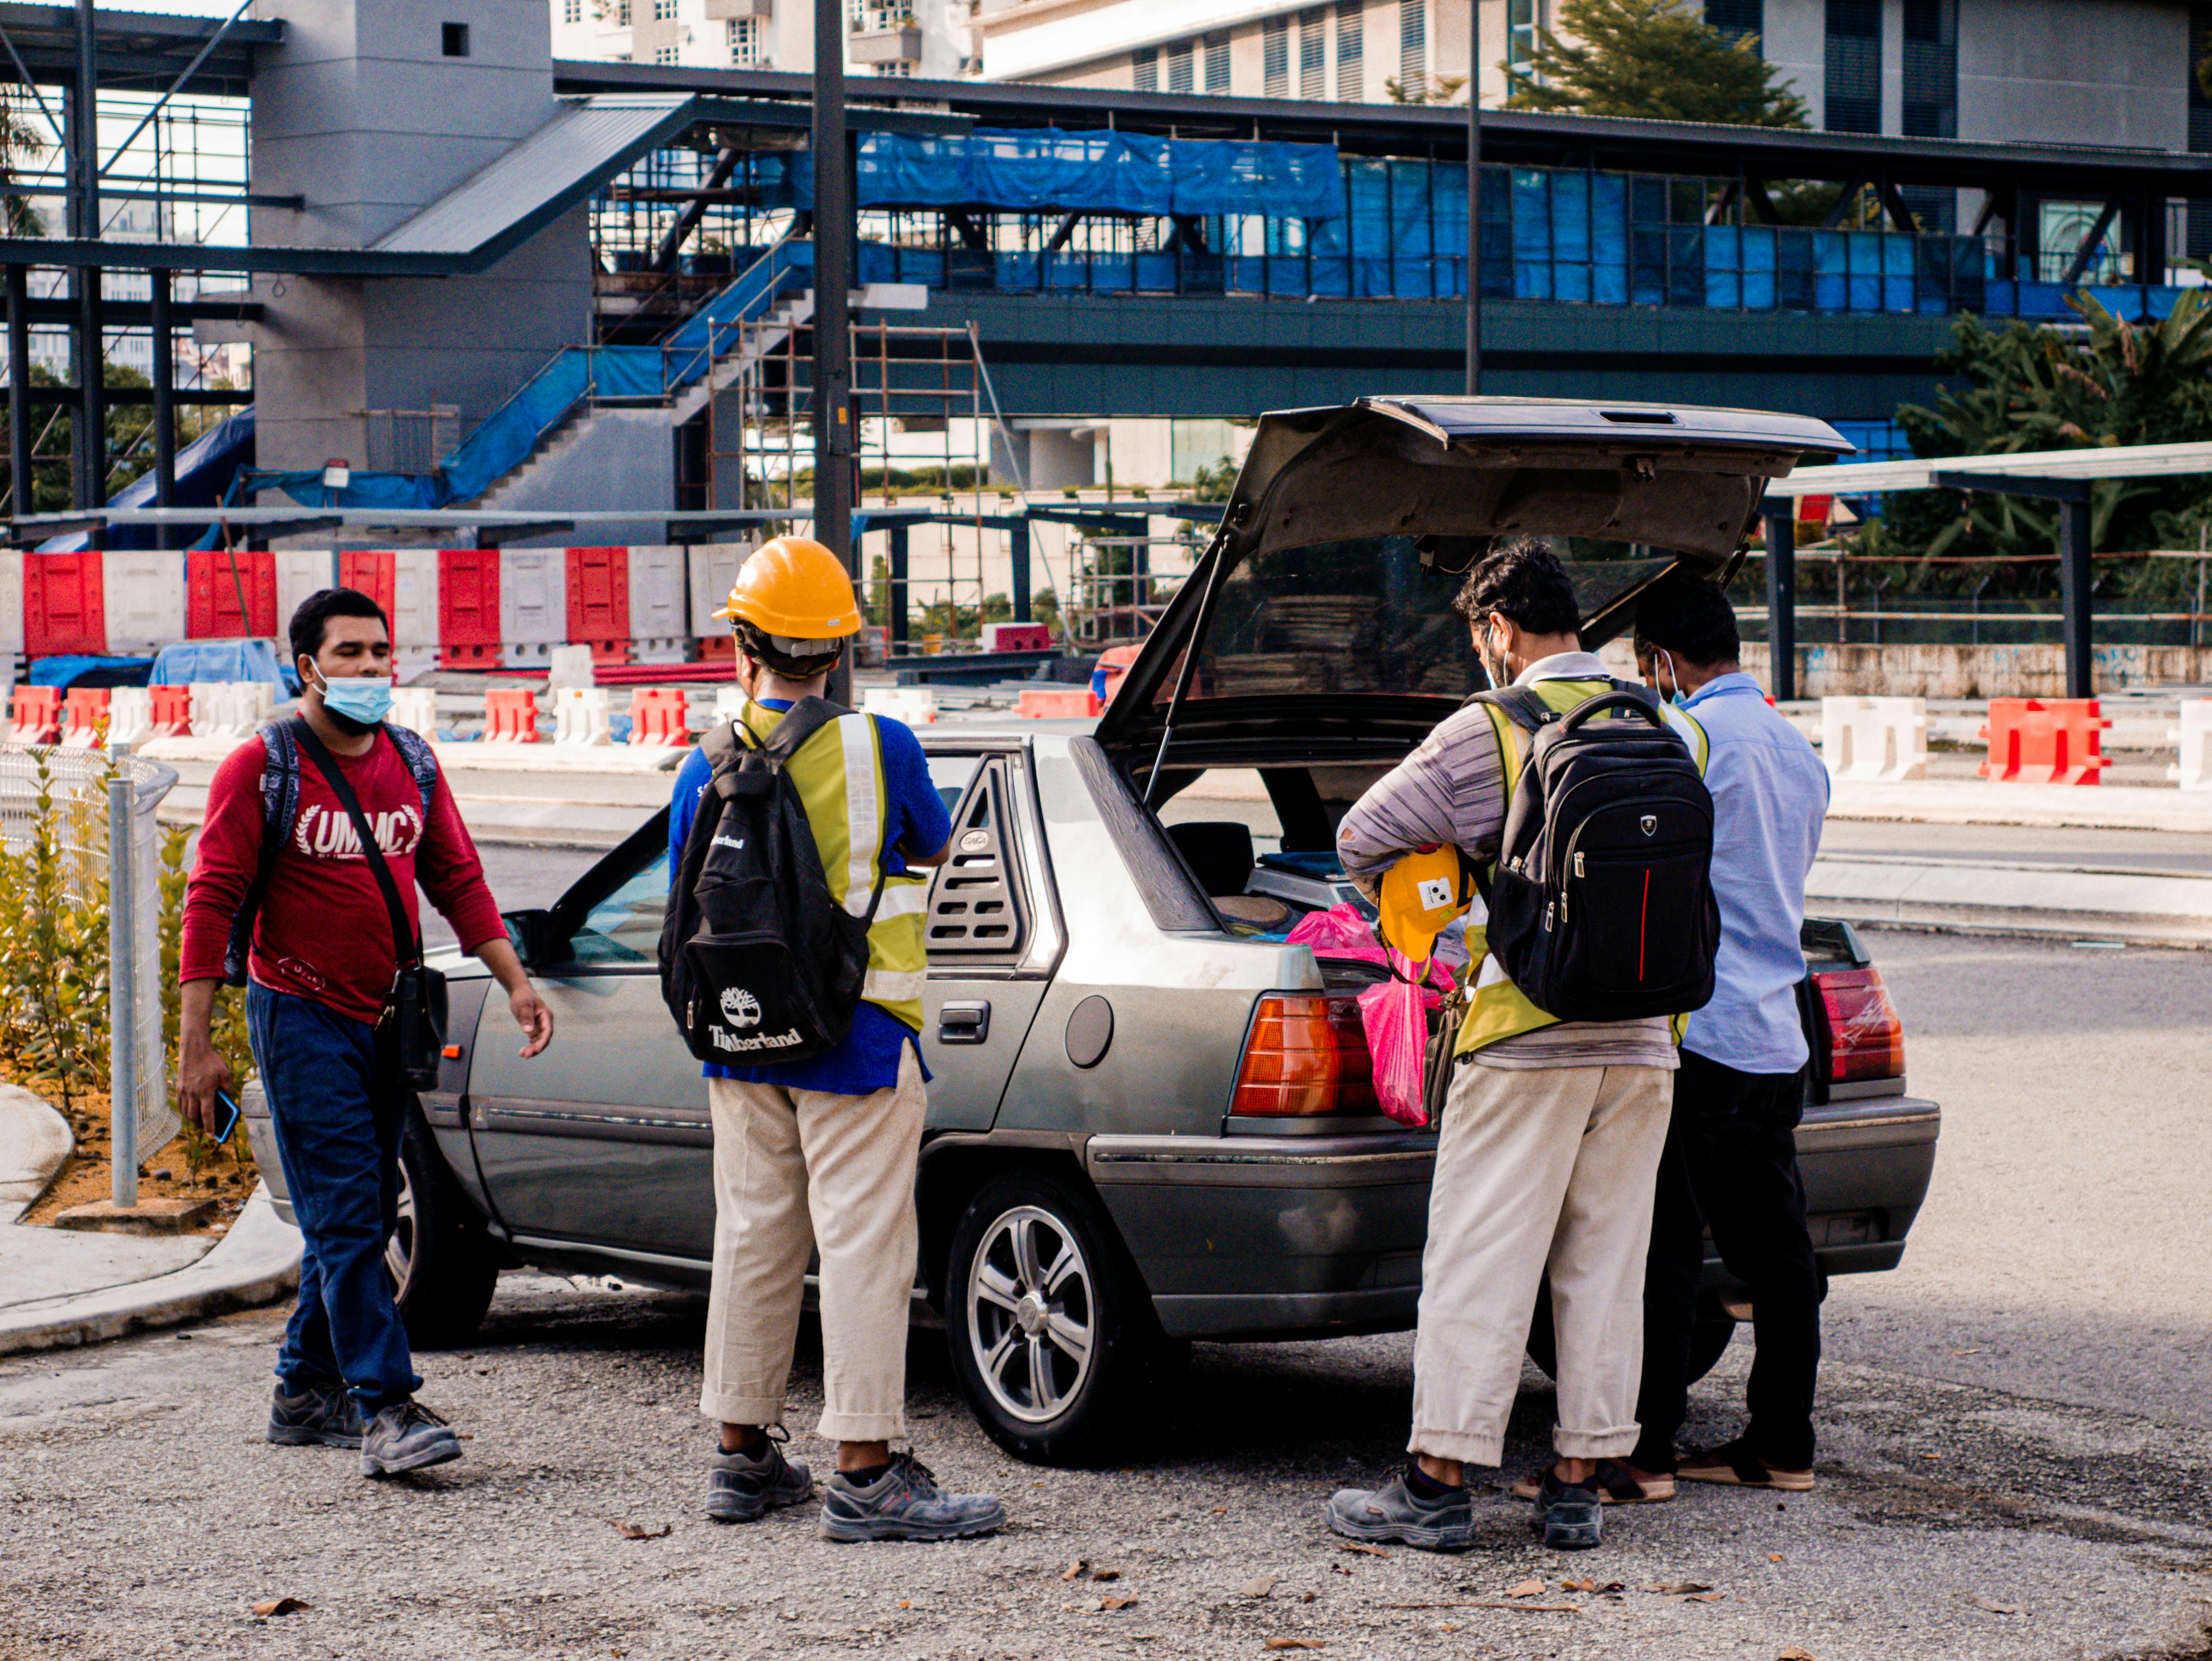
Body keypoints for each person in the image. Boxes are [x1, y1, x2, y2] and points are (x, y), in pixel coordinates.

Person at [1325, 537, 1709, 1554]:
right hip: (1646, 1039)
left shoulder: (1482, 731)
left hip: (1523, 1030)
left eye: (1481, 638)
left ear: (1498, 628)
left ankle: (1437, 1483)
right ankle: (1577, 1486)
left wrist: (1451, 925)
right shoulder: (1674, 728)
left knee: (1477, 1259)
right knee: (1605, 1262)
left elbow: (1362, 836)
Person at [667, 536, 1004, 1543]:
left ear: (742, 641)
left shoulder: (704, 757)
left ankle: (742, 1455)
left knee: (752, 1234)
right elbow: (935, 842)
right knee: (861, 1242)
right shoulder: (881, 746)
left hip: (738, 1034)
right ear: (839, 648)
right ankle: (864, 1468)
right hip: (853, 1037)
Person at [177, 587, 554, 1478]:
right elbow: (212, 902)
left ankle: (305, 1389)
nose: (370, 670)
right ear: (306, 666)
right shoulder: (261, 768)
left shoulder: (413, 764)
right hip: (299, 1013)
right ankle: (384, 1406)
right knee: (349, 1215)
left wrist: (517, 986)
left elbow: (458, 879)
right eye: (349, 654)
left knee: (355, 1210)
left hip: (389, 1018)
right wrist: (198, 1046)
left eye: (381, 653)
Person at [1620, 571, 1831, 1494]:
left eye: (1645, 666)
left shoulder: (1686, 737)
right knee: (1781, 1259)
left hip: (1700, 1033)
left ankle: (1647, 1455)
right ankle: (1782, 1444)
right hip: (1777, 1037)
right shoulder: (1800, 751)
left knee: (1665, 1251)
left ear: (1663, 661)